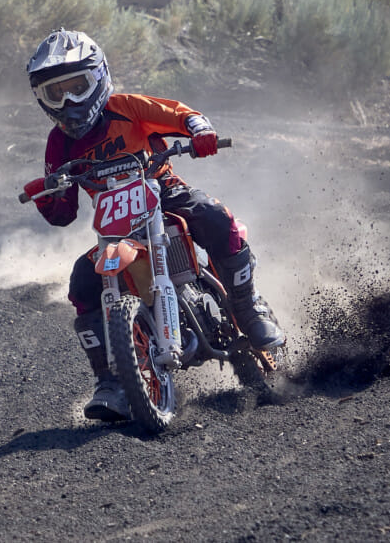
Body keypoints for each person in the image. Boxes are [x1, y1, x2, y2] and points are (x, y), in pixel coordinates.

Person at [22, 28, 285, 422]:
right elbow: (62, 214)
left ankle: (248, 308)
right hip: (116, 224)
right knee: (82, 280)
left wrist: (198, 131)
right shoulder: (58, 143)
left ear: (99, 77)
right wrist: (48, 191)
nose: (69, 100)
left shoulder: (126, 106)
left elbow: (179, 113)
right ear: (42, 99)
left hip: (161, 188)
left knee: (213, 215)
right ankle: (111, 381)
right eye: (55, 93)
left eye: (77, 86)